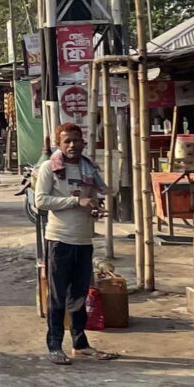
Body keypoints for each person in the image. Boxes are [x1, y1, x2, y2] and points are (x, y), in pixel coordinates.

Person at [32, 121, 116, 364]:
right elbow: (40, 201)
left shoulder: (88, 168)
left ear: (83, 142)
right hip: (59, 240)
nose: (72, 145)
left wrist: (95, 209)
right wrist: (73, 202)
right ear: (59, 144)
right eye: (67, 141)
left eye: (76, 140)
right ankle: (55, 345)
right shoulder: (49, 168)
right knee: (58, 296)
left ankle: (80, 344)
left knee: (79, 295)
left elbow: (92, 198)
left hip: (83, 240)